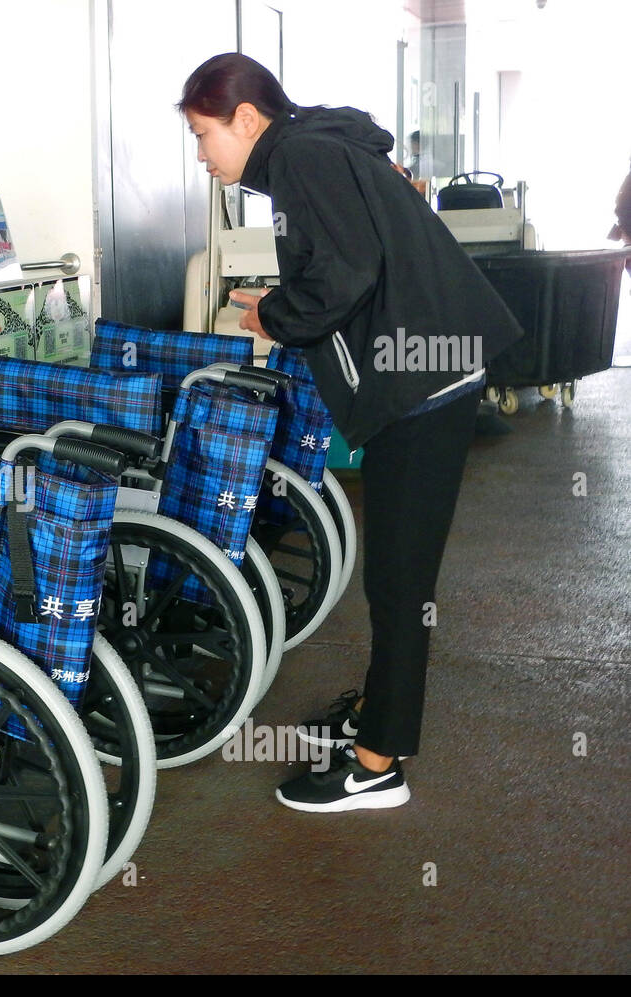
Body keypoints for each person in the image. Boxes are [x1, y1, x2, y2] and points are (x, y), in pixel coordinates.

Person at [178, 53, 522, 812]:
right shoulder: (317, 147)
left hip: (421, 384)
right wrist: (286, 299)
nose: (203, 158)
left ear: (244, 119)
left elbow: (346, 274)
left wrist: (273, 315)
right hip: (432, 368)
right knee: (395, 578)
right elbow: (349, 261)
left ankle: (377, 766)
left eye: (204, 136)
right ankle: (377, 723)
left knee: (399, 583)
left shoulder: (299, 158)